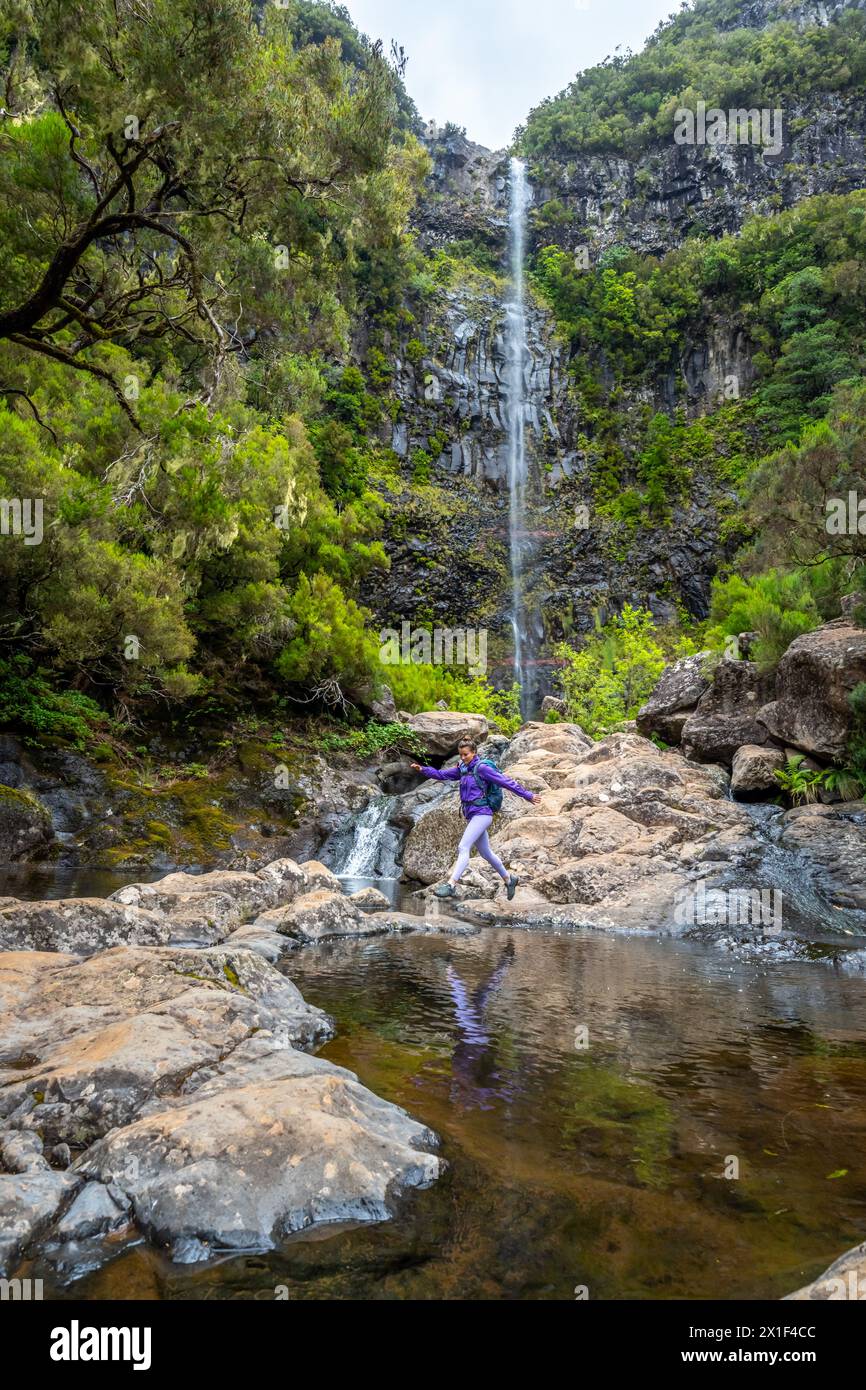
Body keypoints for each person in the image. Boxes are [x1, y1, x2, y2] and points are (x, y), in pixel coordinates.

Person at [410, 735, 540, 899]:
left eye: (466, 755)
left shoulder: (482, 768)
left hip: (483, 813)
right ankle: (509, 879)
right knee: (485, 853)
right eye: (461, 755)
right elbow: (442, 775)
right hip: (472, 815)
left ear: (474, 752)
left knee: (463, 847)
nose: (463, 758)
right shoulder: (462, 769)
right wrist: (423, 769)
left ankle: (451, 884)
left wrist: (527, 795)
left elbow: (505, 781)